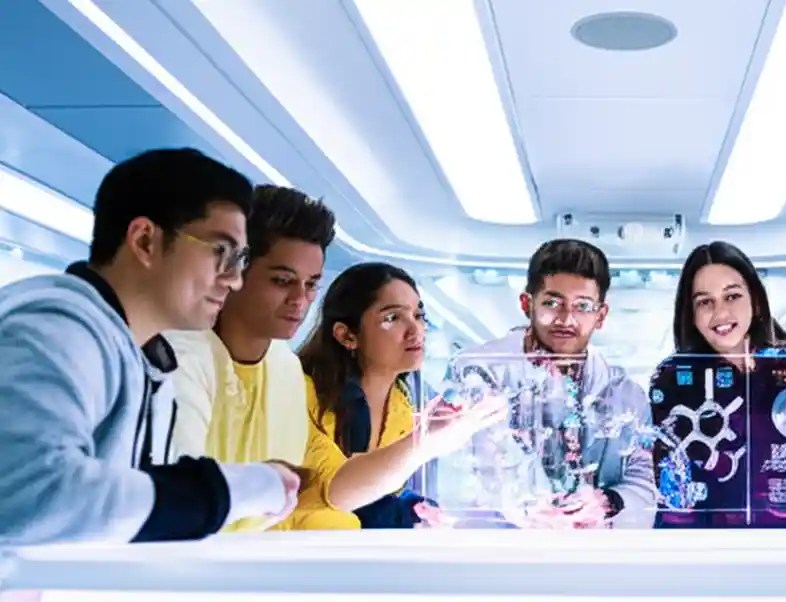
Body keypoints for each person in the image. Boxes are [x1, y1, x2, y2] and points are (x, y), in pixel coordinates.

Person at [0, 148, 298, 544]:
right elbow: (28, 495)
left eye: (240, 260)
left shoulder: (148, 360)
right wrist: (238, 488)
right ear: (145, 240)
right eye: (221, 252)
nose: (234, 280)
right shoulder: (57, 329)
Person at [443, 239, 657, 528]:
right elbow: (479, 473)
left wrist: (607, 503)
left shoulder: (625, 393)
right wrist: (534, 511)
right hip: (500, 553)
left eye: (583, 306)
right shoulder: (477, 372)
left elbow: (643, 483)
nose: (566, 319)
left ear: (601, 316)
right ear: (526, 304)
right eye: (552, 303)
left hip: (595, 555)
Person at [168, 185, 345, 530]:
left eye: (311, 285)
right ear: (232, 271)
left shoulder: (287, 369)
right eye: (282, 280)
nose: (300, 300)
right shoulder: (179, 356)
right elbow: (177, 495)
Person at [650, 241, 786, 528]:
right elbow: (670, 487)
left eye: (732, 296)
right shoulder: (673, 380)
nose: (720, 313)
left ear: (755, 299)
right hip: (710, 543)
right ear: (691, 314)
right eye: (705, 302)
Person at [295, 262, 506, 528]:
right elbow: (338, 493)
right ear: (347, 335)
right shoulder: (300, 392)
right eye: (392, 318)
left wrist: (415, 511)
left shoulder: (400, 406)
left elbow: (378, 492)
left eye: (418, 316)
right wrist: (425, 442)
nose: (415, 329)